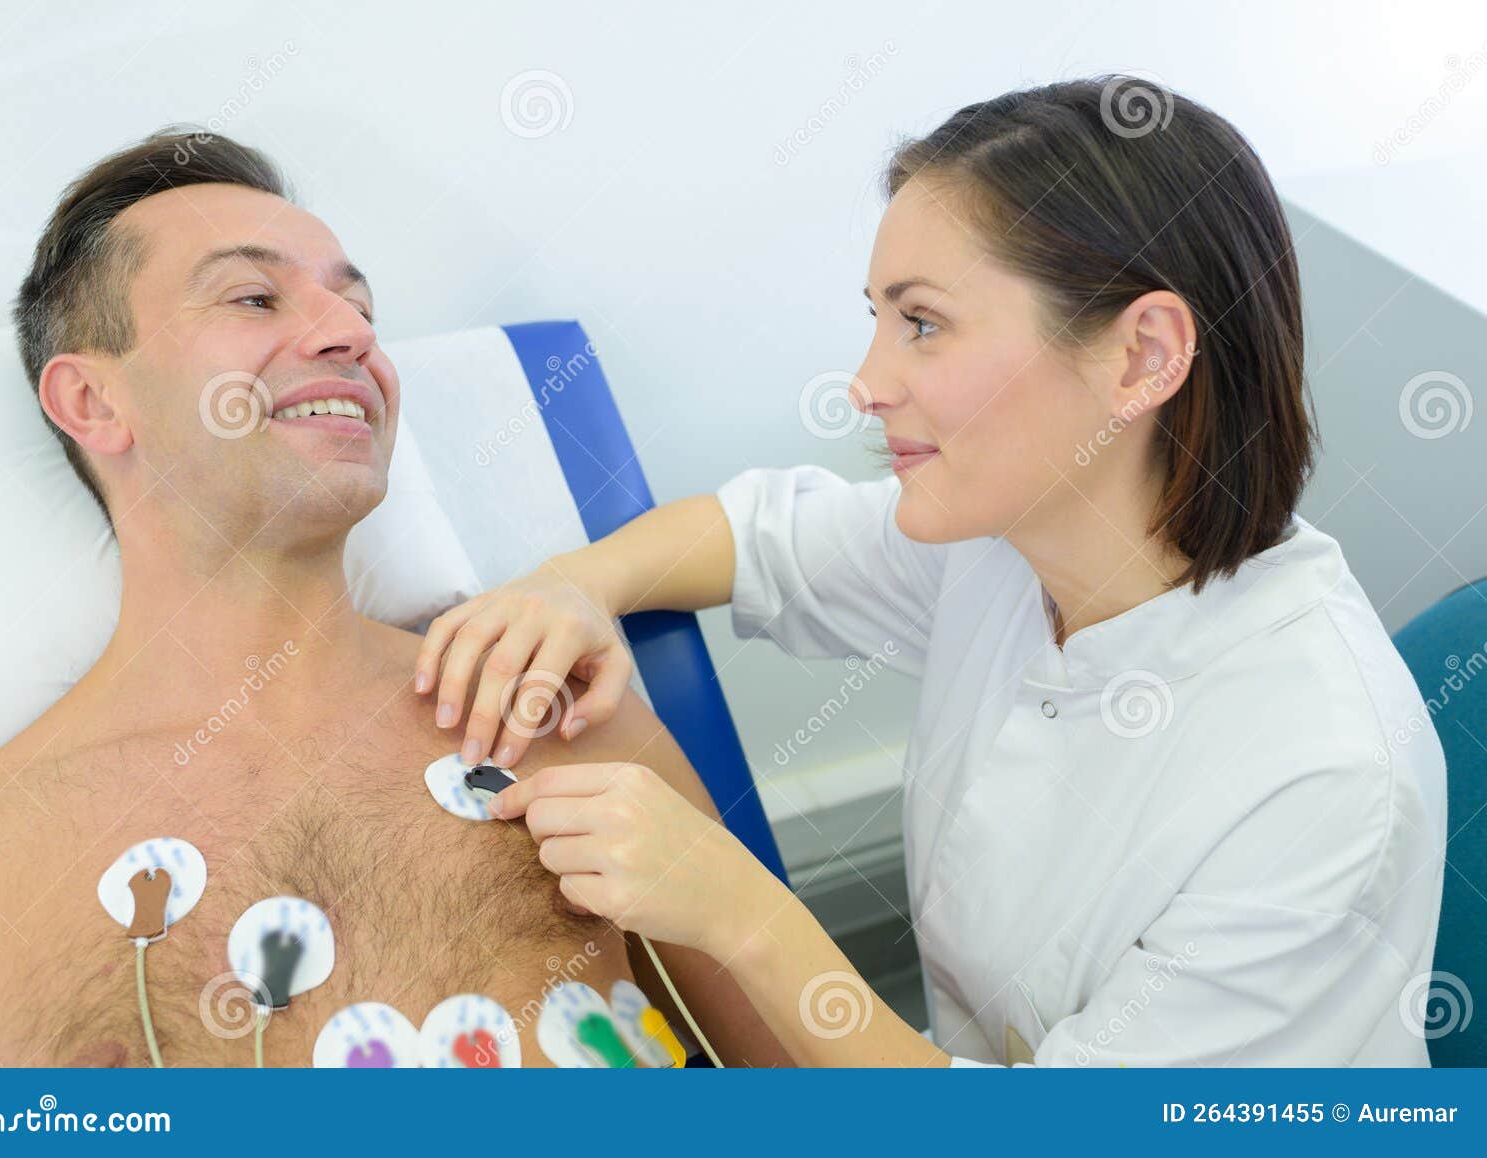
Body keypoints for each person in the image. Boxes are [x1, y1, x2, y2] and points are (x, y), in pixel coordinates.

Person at [415, 78, 1449, 1066]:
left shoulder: (1319, 780)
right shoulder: (1012, 543)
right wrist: (574, 582)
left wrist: (741, 912)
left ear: (1141, 357)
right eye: (877, 319)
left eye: (921, 323)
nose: (865, 385)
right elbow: (757, 537)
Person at [0, 128, 783, 1068]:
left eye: (359, 308)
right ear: (92, 402)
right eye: (254, 297)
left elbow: (820, 1102)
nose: (353, 335)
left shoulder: (557, 724)